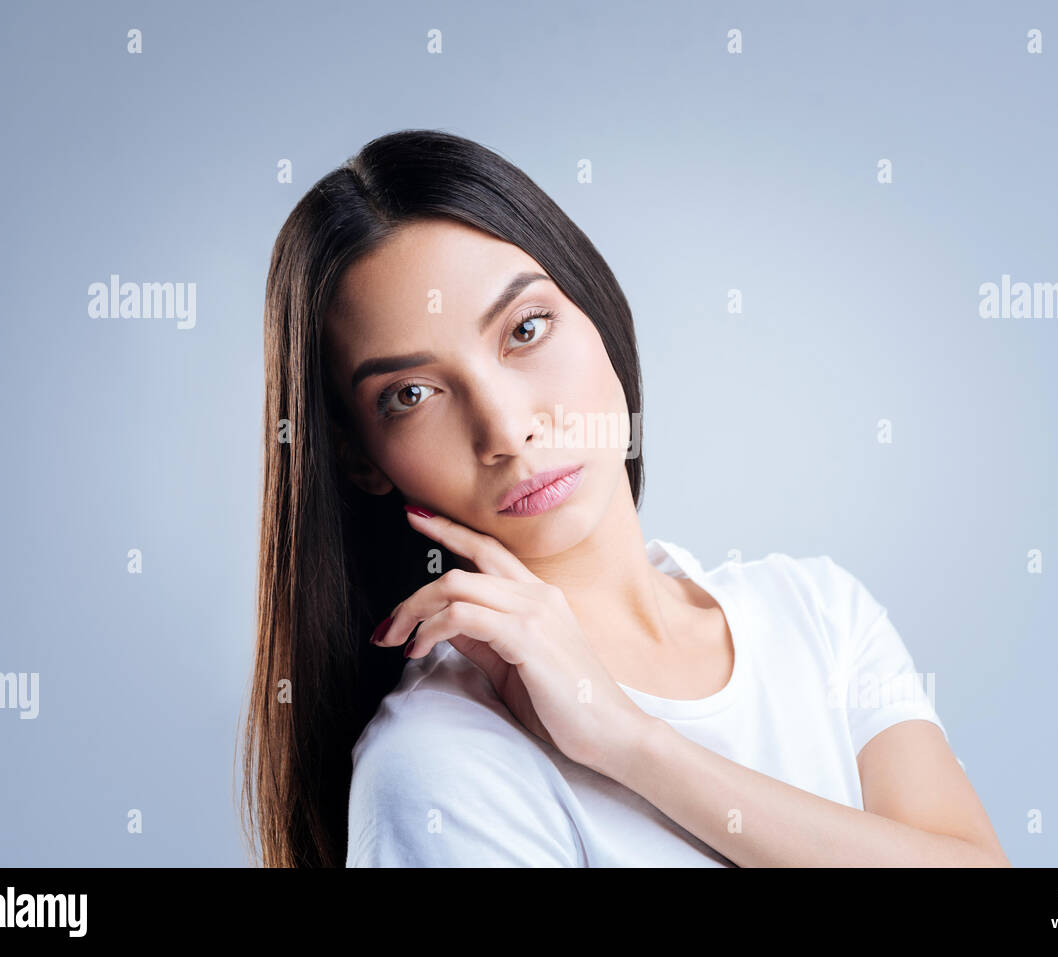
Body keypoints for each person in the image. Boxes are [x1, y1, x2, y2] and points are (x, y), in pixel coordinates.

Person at [240, 128, 1008, 868]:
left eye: (526, 328)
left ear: (593, 304)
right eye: (411, 393)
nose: (507, 428)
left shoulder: (817, 614)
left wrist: (632, 743)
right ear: (361, 458)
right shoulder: (439, 764)